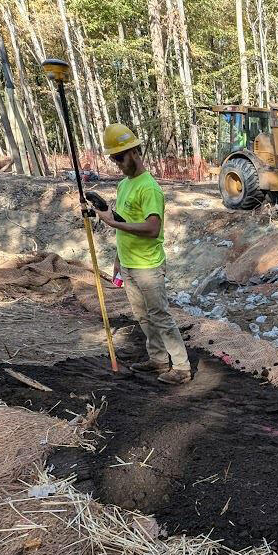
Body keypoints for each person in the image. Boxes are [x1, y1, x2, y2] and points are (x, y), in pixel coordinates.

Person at [95, 123, 192, 384]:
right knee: (143, 316)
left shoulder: (149, 188)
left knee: (160, 316)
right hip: (128, 264)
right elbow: (126, 221)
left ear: (134, 152)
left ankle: (181, 367)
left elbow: (152, 228)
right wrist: (118, 257)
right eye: (113, 158)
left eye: (119, 157)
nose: (116, 163)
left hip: (147, 266)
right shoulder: (125, 185)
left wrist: (113, 223)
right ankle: (159, 360)